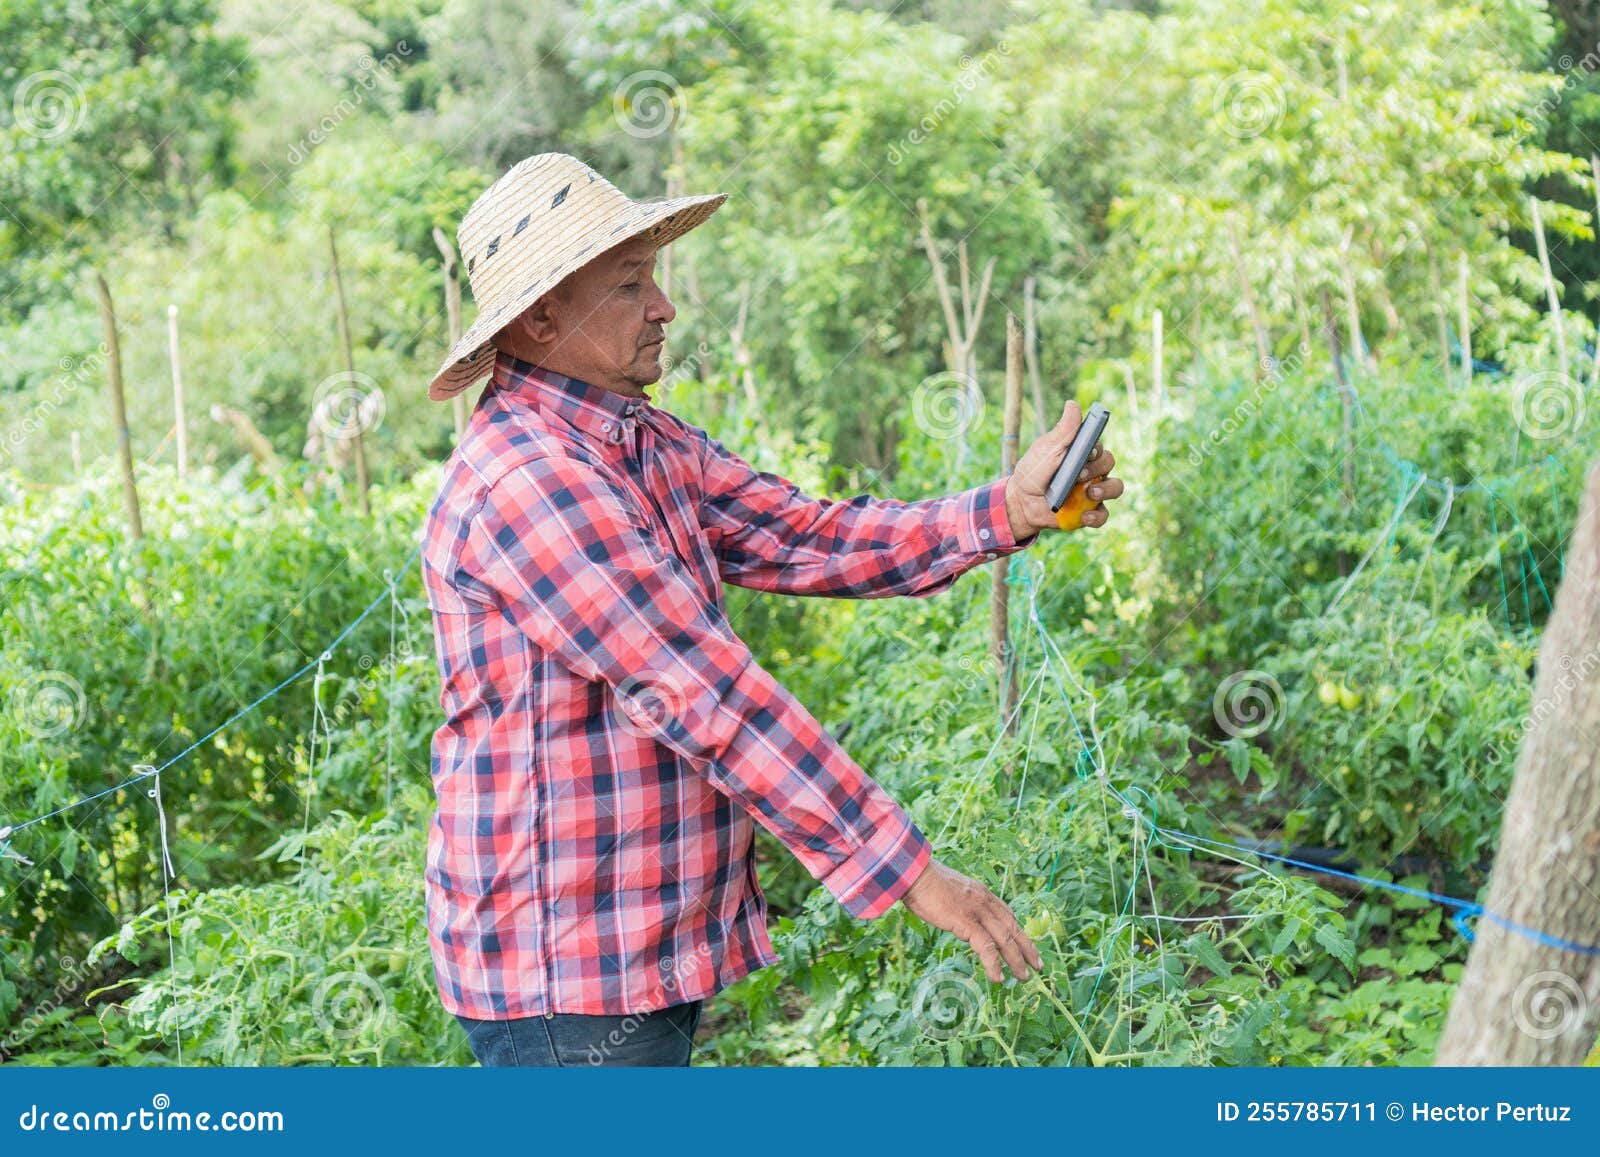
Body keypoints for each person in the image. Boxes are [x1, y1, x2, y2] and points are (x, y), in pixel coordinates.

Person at [418, 152, 1124, 1067]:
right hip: (568, 971)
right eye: (631, 285)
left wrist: (1011, 508)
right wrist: (910, 872)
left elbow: (812, 537)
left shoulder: (636, 440)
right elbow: (703, 690)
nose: (664, 307)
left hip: (631, 947)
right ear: (543, 315)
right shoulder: (530, 481)